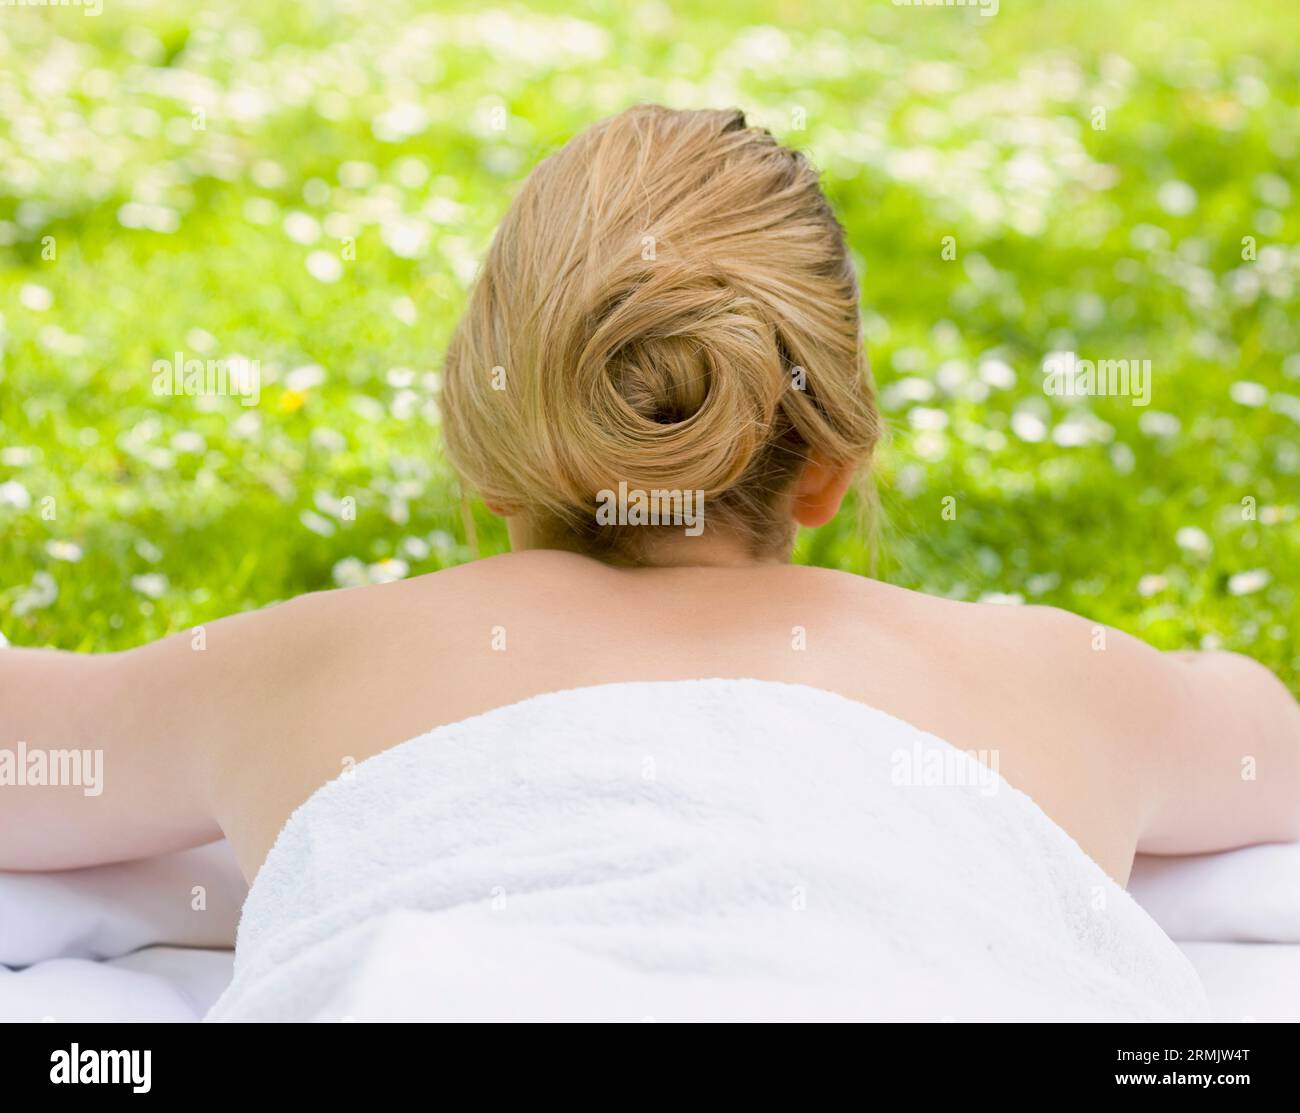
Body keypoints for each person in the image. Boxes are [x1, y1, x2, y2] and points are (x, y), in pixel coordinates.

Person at [3, 104, 1296, 908]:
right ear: (829, 462)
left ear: (488, 450)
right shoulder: (1051, 683)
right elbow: (1267, 739)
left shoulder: (301, 669)